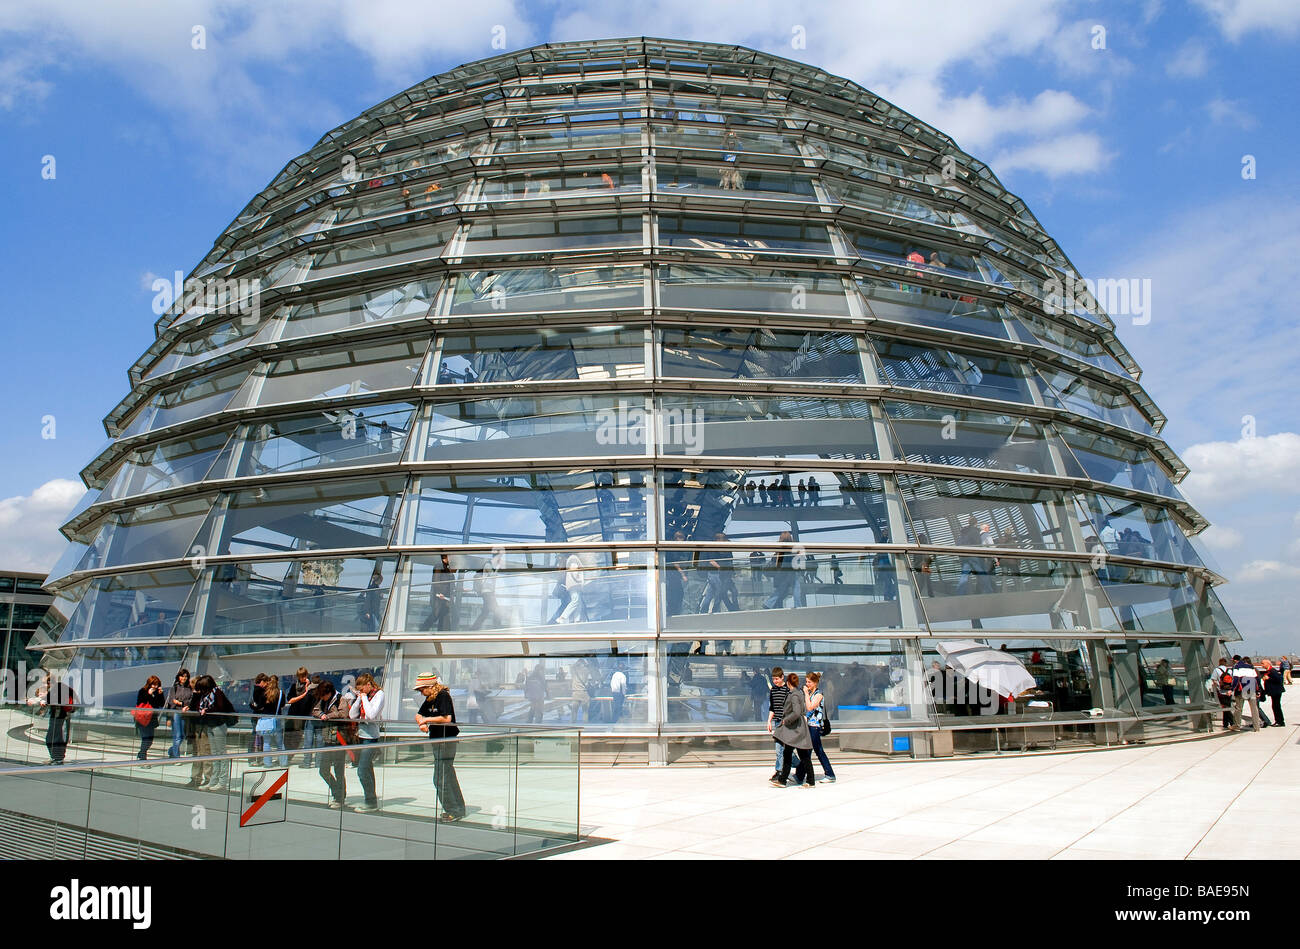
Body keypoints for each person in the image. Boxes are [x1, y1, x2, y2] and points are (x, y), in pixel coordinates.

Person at [414, 672, 466, 822]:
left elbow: (447, 718)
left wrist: (426, 720)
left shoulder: (443, 696)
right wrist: (421, 722)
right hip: (437, 739)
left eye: (422, 689)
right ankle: (458, 808)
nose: (421, 692)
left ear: (429, 686)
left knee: (439, 778)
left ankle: (453, 810)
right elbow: (419, 714)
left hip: (446, 740)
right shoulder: (430, 698)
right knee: (447, 775)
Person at [189, 674, 235, 790]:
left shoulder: (217, 693)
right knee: (214, 753)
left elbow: (220, 707)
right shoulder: (205, 695)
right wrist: (195, 694)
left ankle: (222, 781)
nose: (200, 691)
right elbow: (195, 706)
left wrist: (207, 710)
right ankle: (213, 781)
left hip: (219, 725)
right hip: (210, 725)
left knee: (221, 753)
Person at [349, 673, 385, 812]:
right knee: (368, 769)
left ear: (369, 685)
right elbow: (352, 715)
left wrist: (364, 698)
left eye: (362, 689)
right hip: (361, 735)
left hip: (371, 737)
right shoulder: (364, 696)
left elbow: (371, 715)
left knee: (362, 770)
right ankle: (371, 799)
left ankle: (370, 802)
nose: (361, 692)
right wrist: (359, 698)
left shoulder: (379, 695)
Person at [772, 673, 814, 788]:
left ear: (788, 683)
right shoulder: (797, 693)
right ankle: (783, 780)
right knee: (790, 753)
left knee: (801, 755)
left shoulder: (794, 695)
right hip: (796, 730)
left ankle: (809, 781)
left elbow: (796, 712)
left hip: (795, 730)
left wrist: (786, 720)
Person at [314, 680, 349, 808]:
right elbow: (315, 710)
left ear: (329, 692)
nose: (322, 698)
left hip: (339, 738)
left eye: (324, 695)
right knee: (323, 769)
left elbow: (343, 713)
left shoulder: (341, 699)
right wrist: (321, 714)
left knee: (339, 770)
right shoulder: (323, 700)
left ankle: (340, 797)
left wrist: (328, 716)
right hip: (327, 738)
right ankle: (337, 791)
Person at [805, 672, 836, 783]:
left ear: (815, 683)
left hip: (815, 726)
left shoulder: (818, 695)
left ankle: (830, 774)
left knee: (818, 750)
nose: (807, 684)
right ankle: (800, 774)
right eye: (806, 682)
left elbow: (810, 707)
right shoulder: (811, 694)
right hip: (810, 726)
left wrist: (805, 693)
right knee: (807, 752)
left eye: (809, 682)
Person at [284, 667, 317, 768]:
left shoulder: (311, 687)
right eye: (300, 676)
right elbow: (290, 700)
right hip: (292, 715)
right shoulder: (294, 686)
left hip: (303, 716)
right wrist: (302, 695)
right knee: (288, 738)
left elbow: (310, 699)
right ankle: (285, 758)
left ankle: (289, 757)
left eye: (304, 676)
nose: (302, 678)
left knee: (296, 739)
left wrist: (307, 687)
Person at [765, 666, 789, 781]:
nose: (775, 681)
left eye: (777, 679)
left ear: (782, 677)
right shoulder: (773, 691)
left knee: (787, 749)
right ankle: (779, 771)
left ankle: (798, 765)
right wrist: (769, 721)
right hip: (778, 722)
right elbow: (772, 708)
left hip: (787, 722)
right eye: (773, 679)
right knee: (779, 747)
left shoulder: (788, 690)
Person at [259, 674, 288, 767]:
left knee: (267, 742)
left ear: (268, 682)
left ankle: (268, 763)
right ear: (277, 682)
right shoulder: (281, 693)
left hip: (266, 719)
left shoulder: (264, 693)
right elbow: (282, 705)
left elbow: (260, 706)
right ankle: (283, 762)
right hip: (277, 718)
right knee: (280, 742)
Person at [134, 675, 166, 761]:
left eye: (157, 684)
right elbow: (140, 703)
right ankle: (142, 758)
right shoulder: (143, 691)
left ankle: (141, 754)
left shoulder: (157, 692)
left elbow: (161, 704)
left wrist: (161, 694)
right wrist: (148, 694)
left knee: (150, 740)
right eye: (153, 684)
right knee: (145, 739)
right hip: (143, 718)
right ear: (149, 684)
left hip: (151, 719)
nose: (155, 686)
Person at [166, 668, 193, 758]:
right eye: (182, 676)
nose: (184, 678)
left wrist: (181, 703)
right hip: (176, 713)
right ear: (179, 677)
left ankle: (172, 750)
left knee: (182, 736)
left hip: (185, 714)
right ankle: (176, 757)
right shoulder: (174, 688)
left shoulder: (189, 688)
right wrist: (168, 718)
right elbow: (171, 702)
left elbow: (190, 701)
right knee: (177, 736)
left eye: (186, 676)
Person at [1230, 656, 1262, 733]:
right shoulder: (1251, 667)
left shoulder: (1236, 666)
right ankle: (1256, 727)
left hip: (1241, 689)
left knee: (1239, 708)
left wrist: (1232, 689)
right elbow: (1257, 679)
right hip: (1251, 688)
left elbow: (1235, 679)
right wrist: (1258, 691)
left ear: (1235, 661)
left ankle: (1237, 725)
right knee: (1254, 708)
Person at [1210, 656, 1234, 730]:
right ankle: (1225, 723)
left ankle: (1233, 722)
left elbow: (1213, 680)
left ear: (1219, 663)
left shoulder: (1216, 670)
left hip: (1221, 691)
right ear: (1225, 663)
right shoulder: (1229, 670)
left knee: (1225, 707)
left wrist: (1218, 686)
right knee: (1227, 706)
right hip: (1229, 691)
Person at [1260, 659, 1286, 727]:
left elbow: (1278, 680)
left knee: (1276, 706)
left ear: (1267, 663)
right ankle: (1279, 721)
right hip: (1273, 691)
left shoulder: (1272, 671)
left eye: (1263, 663)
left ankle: (1280, 721)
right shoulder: (1269, 671)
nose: (1262, 665)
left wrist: (1268, 678)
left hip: (1276, 691)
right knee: (1275, 706)